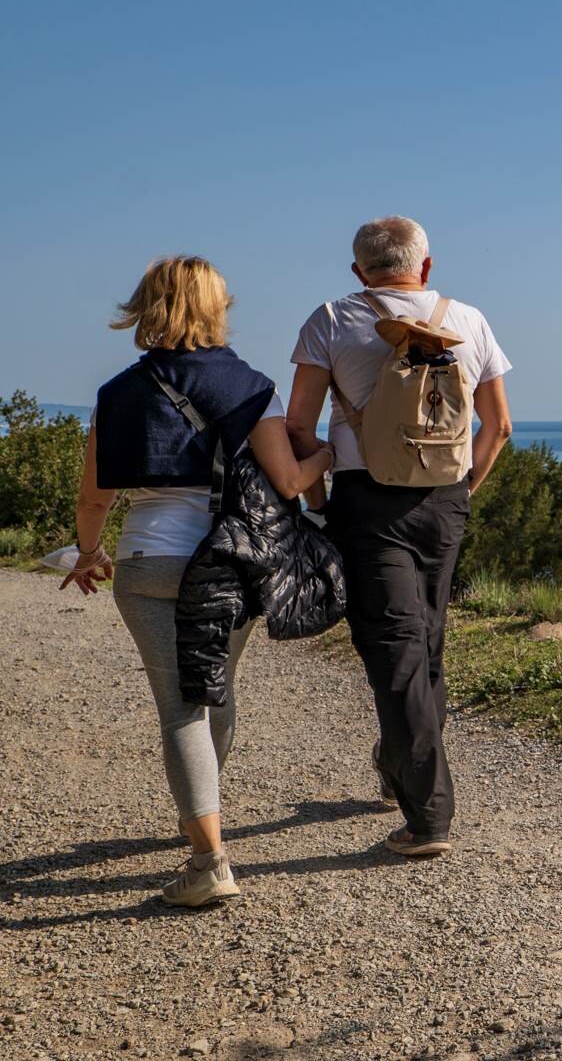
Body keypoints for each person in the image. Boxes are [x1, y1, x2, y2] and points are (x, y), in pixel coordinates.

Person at [67, 256, 334, 907]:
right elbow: (294, 483)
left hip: (147, 562)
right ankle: (203, 825)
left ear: (146, 307)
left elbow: (94, 499)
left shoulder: (116, 394)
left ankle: (208, 853)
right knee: (214, 692)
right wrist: (332, 450)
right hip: (231, 562)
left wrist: (88, 553)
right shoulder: (249, 388)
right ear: (217, 307)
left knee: (179, 709)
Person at [286, 217, 512, 858]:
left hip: (366, 499)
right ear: (427, 267)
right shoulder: (468, 319)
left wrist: (321, 501)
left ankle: (428, 817)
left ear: (359, 271)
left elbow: (301, 425)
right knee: (426, 642)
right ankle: (397, 762)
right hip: (445, 500)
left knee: (395, 650)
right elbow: (499, 427)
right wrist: (463, 494)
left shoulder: (331, 319)